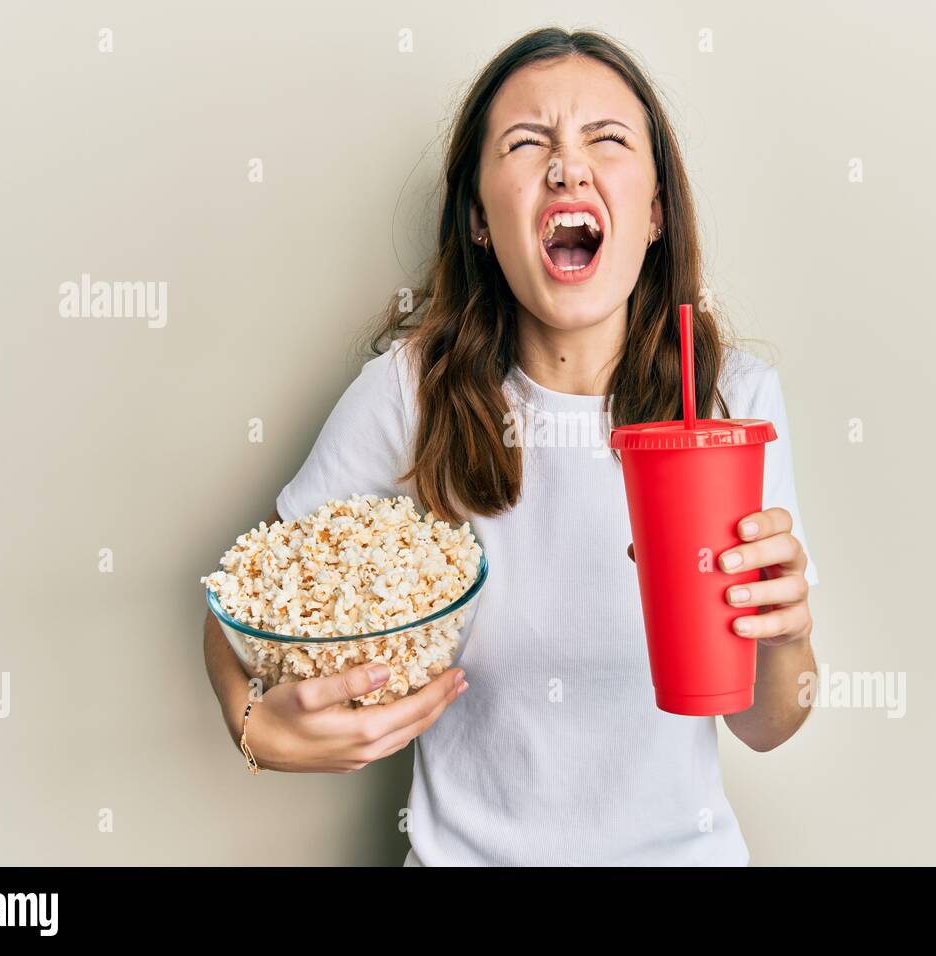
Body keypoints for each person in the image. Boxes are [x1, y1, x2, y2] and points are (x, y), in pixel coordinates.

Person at [204, 26, 820, 866]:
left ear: (653, 215)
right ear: (481, 219)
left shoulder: (729, 402)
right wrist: (253, 728)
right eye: (529, 144)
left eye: (607, 139)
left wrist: (782, 639)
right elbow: (240, 604)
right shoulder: (411, 394)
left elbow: (766, 724)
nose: (569, 167)